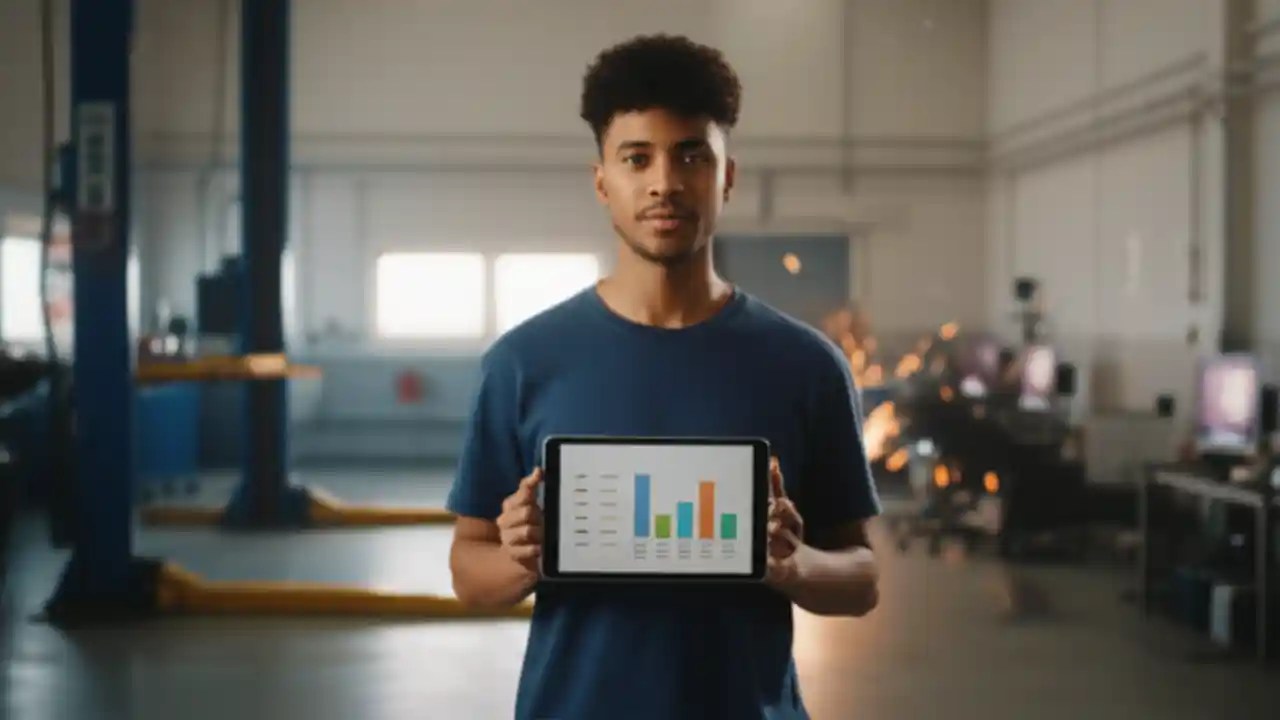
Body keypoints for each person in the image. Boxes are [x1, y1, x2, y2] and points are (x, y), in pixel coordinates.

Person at [446, 34, 881, 720]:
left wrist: (794, 562)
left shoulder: (806, 365)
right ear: (602, 181)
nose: (665, 183)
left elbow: (860, 577)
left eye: (691, 156)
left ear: (727, 175)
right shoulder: (523, 363)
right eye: (637, 158)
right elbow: (470, 571)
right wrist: (523, 556)